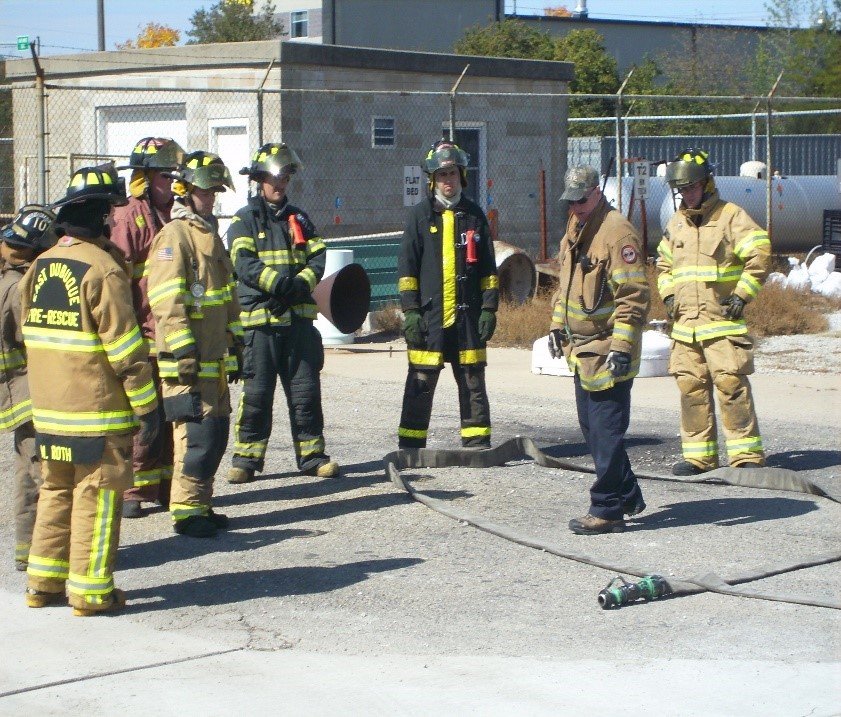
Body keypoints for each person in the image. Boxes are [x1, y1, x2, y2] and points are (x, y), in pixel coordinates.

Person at [20, 164, 159, 615]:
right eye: (110, 215)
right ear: (101, 216)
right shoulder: (103, 269)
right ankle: (91, 592)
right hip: (96, 414)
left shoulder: (39, 265)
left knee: (55, 492)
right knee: (96, 498)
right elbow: (125, 348)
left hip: (49, 411)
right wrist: (147, 406)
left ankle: (42, 584)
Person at [227, 142, 338, 484]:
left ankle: (312, 456)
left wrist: (299, 285)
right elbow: (243, 263)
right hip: (261, 324)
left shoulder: (299, 218)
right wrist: (278, 286)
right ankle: (246, 460)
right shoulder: (244, 220)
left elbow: (318, 256)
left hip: (298, 323)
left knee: (305, 393)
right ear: (259, 179)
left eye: (286, 177)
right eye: (275, 177)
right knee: (257, 395)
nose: (280, 183)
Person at [548, 165, 649, 535]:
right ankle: (627, 494)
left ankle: (607, 510)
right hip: (582, 351)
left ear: (597, 193)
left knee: (606, 432)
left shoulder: (617, 233)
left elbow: (633, 298)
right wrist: (556, 325)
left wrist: (621, 347)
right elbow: (565, 286)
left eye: (581, 200)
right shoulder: (576, 229)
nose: (575, 207)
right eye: (571, 202)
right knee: (591, 429)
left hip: (609, 349)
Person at [656, 148, 771, 475]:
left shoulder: (730, 216)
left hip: (721, 323)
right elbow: (663, 265)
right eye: (681, 189)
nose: (687, 194)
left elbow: (760, 254)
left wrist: (742, 295)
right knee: (690, 390)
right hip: (685, 328)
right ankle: (699, 458)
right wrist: (668, 296)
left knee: (731, 387)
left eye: (691, 187)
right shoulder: (677, 224)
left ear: (706, 183)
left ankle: (746, 456)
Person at [147, 151, 243, 538]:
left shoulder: (208, 234)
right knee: (194, 437)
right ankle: (186, 511)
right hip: (187, 362)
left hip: (212, 359)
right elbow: (166, 300)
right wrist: (184, 350)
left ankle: (201, 503)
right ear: (185, 191)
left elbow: (226, 297)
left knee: (215, 435)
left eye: (216, 191)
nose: (212, 197)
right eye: (206, 191)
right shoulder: (174, 236)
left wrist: (235, 345)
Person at [397, 139, 499, 449]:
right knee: (421, 380)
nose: (448, 181)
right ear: (433, 180)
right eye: (442, 175)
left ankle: (477, 441)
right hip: (431, 317)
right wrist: (411, 312)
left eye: (452, 173)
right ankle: (411, 446)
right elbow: (407, 269)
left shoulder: (474, 215)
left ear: (461, 176)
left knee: (472, 378)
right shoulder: (420, 216)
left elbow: (488, 269)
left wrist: (489, 309)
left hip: (468, 318)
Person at [113, 136, 186, 519]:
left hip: (169, 336)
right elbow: (117, 285)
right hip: (141, 338)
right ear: (143, 178)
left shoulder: (173, 218)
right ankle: (132, 490)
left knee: (171, 415)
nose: (171, 184)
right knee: (144, 419)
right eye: (163, 176)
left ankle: (164, 486)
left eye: (173, 176)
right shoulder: (130, 217)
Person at [0, 205, 57, 571]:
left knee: (26, 468)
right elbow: (36, 339)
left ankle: (27, 548)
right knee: (44, 471)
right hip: (28, 389)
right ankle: (45, 553)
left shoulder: (7, 277)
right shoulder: (20, 288)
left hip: (15, 392)